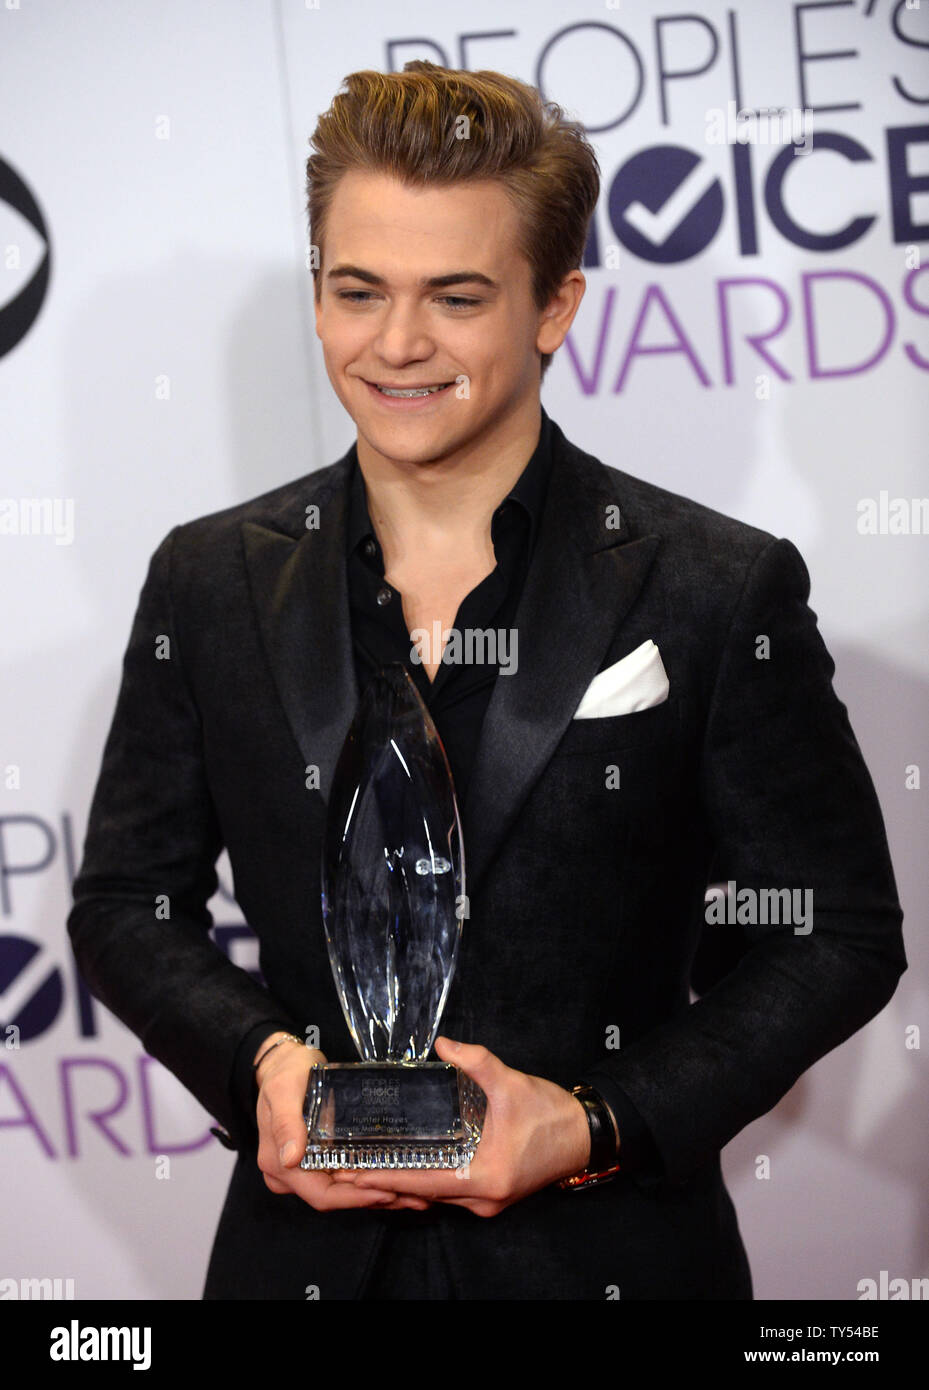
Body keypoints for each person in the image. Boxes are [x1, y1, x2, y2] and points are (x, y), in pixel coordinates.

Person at [67, 61, 905, 1301]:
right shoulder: (208, 579)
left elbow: (831, 931)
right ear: (317, 296)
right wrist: (264, 1070)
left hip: (608, 1265)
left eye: (454, 297)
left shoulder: (714, 586)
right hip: (297, 1269)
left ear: (553, 305)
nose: (395, 344)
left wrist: (594, 1120)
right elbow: (127, 904)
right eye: (357, 291)